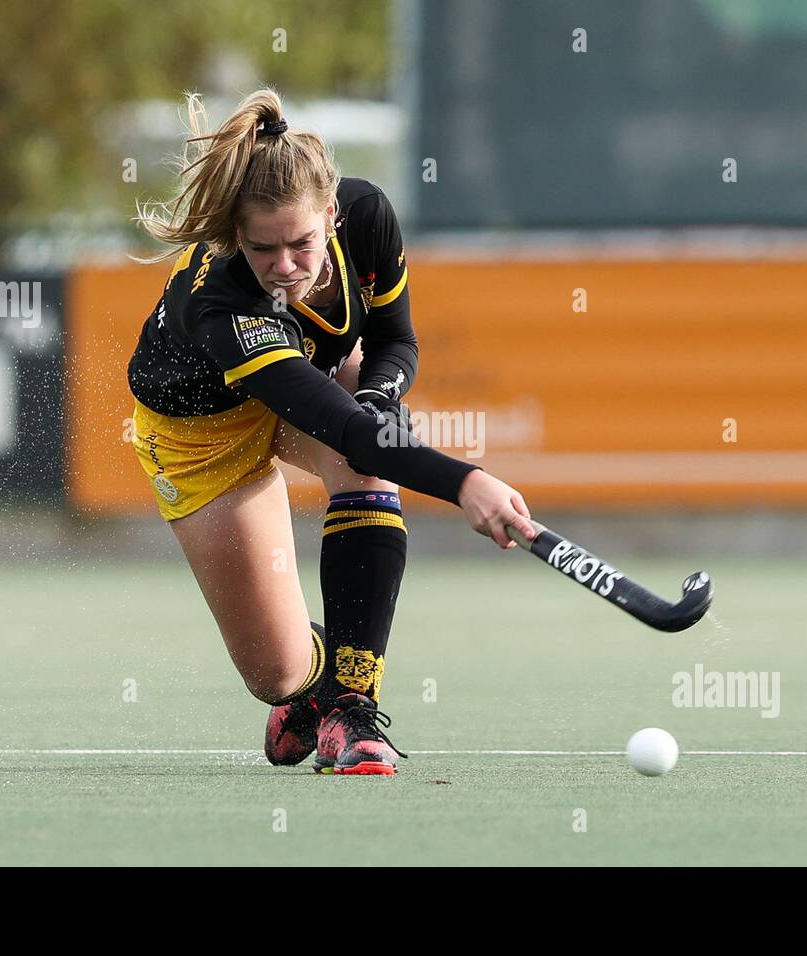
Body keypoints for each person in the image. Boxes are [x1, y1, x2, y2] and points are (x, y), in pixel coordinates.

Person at [128, 88, 535, 775]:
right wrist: (465, 481)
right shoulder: (223, 301)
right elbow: (349, 431)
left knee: (370, 450)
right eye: (263, 249)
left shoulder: (369, 215)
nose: (286, 267)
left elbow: (395, 340)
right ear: (235, 237)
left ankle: (351, 710)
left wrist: (378, 393)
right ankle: (315, 687)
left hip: (310, 386)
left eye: (301, 244)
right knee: (275, 674)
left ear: (332, 216)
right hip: (200, 439)